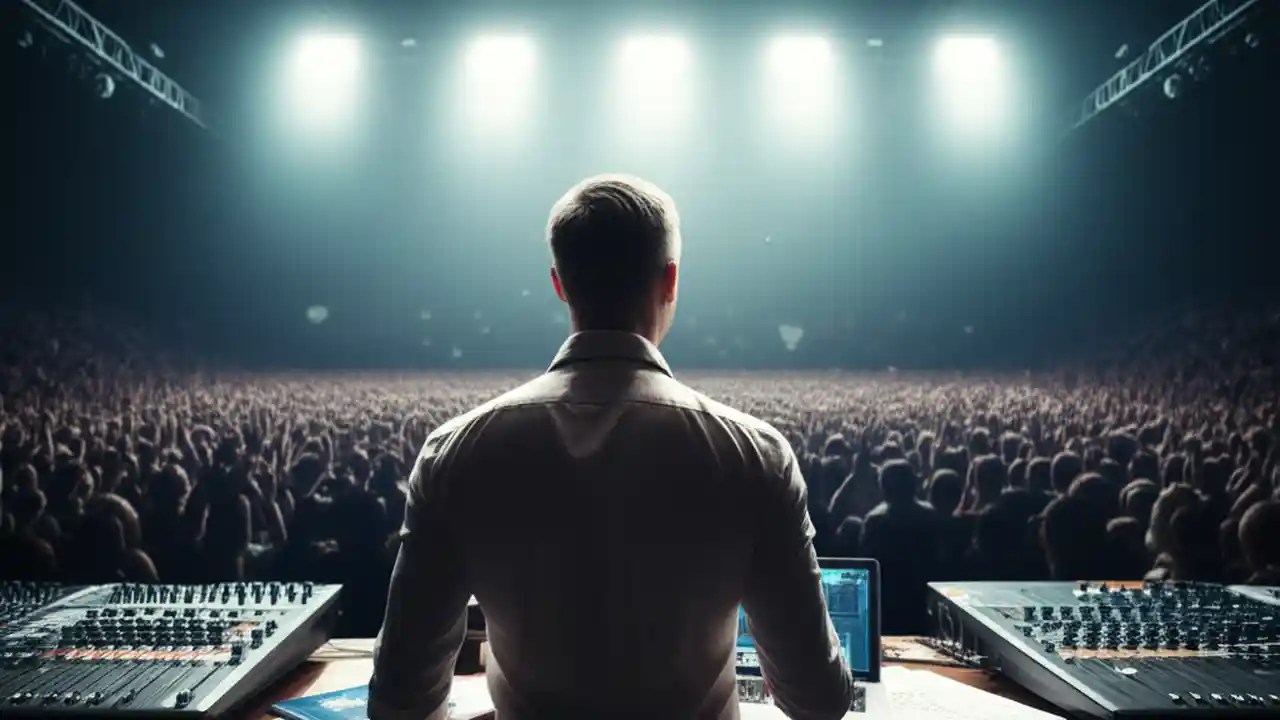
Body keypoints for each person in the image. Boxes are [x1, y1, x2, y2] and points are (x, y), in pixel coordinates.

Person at [369, 175, 853, 720]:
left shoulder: (453, 453)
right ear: (670, 280)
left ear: (559, 284)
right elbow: (818, 701)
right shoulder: (754, 454)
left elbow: (398, 703)